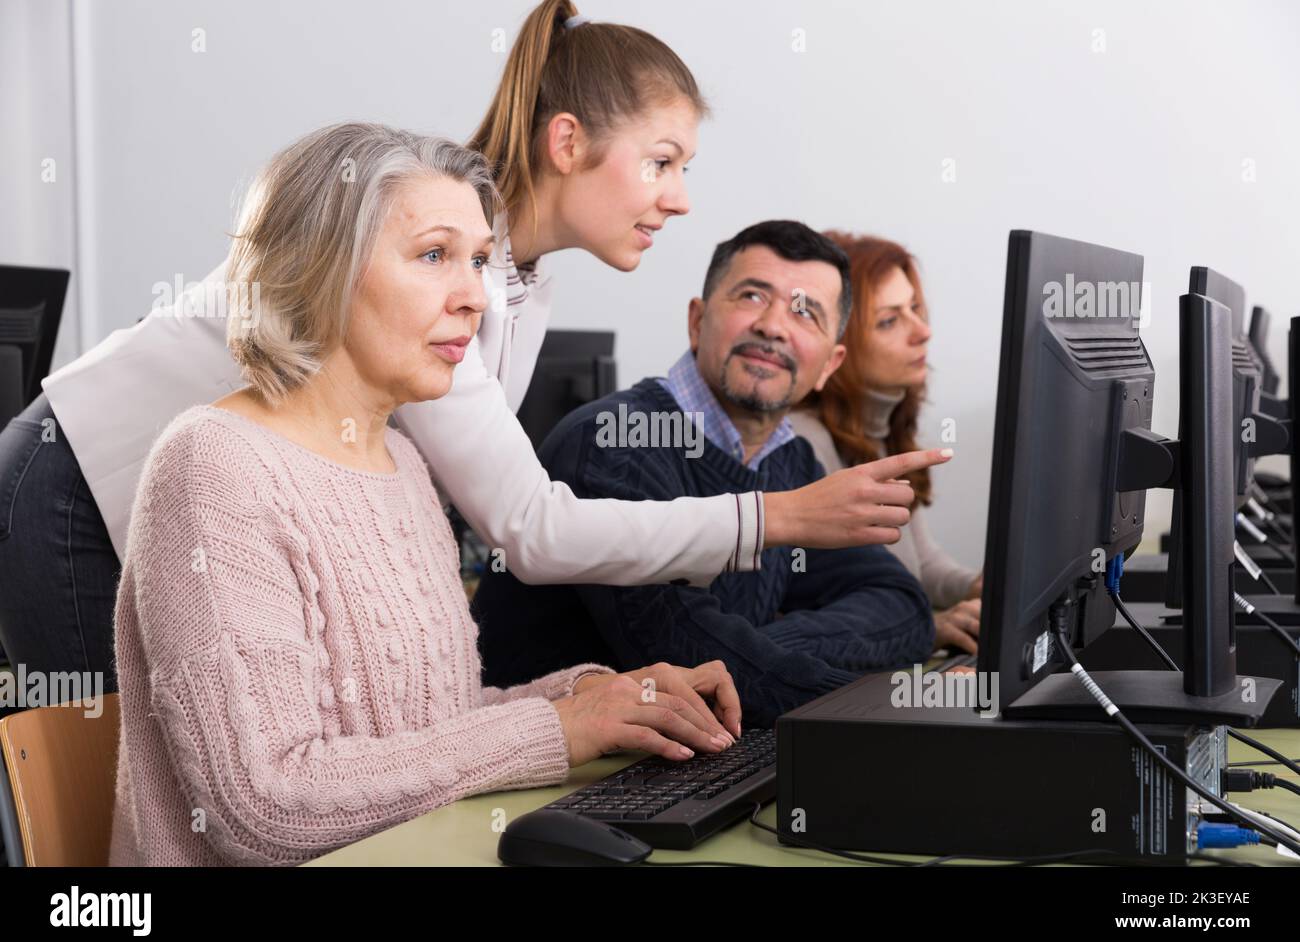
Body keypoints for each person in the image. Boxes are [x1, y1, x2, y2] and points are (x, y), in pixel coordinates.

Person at [0, 0, 946, 694]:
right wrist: (773, 520)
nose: (680, 196)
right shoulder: (453, 258)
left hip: (176, 505)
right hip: (78, 479)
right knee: (99, 789)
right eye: (662, 161)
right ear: (568, 142)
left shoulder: (513, 276)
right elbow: (530, 527)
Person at [111, 123, 748, 867]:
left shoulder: (404, 464)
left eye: (479, 261)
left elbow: (422, 735)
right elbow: (267, 804)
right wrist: (560, 730)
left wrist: (598, 699)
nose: (473, 297)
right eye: (435, 255)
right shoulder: (213, 466)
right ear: (319, 270)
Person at [473, 221, 940, 730]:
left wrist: (757, 648)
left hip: (682, 764)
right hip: (549, 785)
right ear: (697, 322)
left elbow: (901, 610)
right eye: (752, 295)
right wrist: (895, 703)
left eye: (806, 312)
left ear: (830, 364)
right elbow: (691, 661)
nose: (774, 326)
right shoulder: (613, 442)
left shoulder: (793, 463)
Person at [789, 233, 982, 655]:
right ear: (837, 344)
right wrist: (929, 628)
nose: (923, 331)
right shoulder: (802, 443)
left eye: (915, 308)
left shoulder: (878, 431)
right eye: (890, 320)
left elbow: (920, 563)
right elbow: (814, 614)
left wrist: (975, 586)